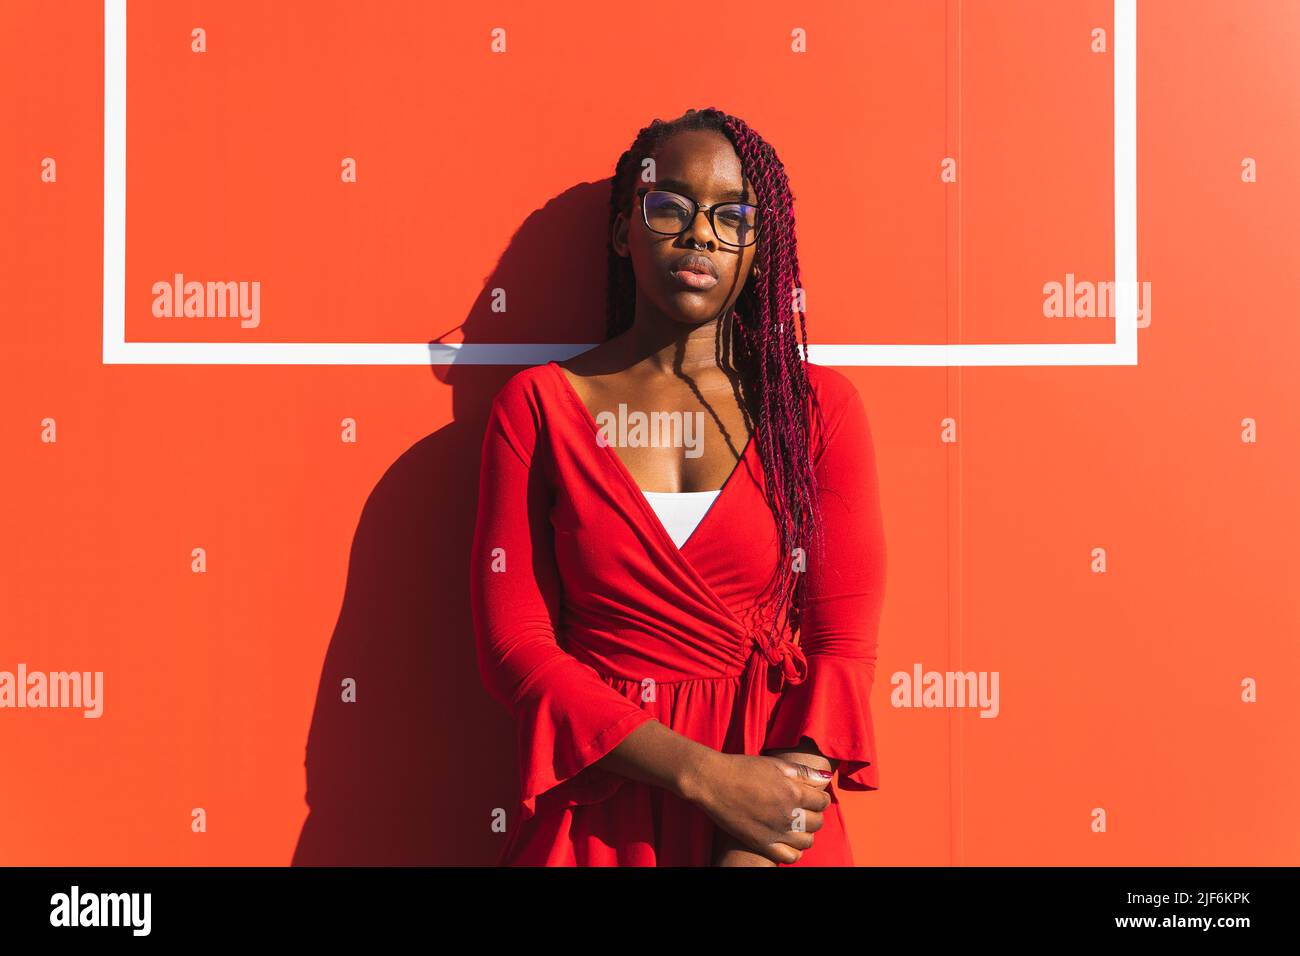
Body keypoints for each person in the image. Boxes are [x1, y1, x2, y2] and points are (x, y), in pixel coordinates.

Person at [469, 107, 886, 866]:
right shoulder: (537, 406)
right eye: (671, 206)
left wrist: (758, 828)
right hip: (601, 809)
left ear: (761, 250)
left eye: (732, 216)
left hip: (771, 821)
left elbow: (842, 649)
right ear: (623, 229)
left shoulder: (819, 411)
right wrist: (703, 777)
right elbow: (516, 649)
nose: (701, 234)